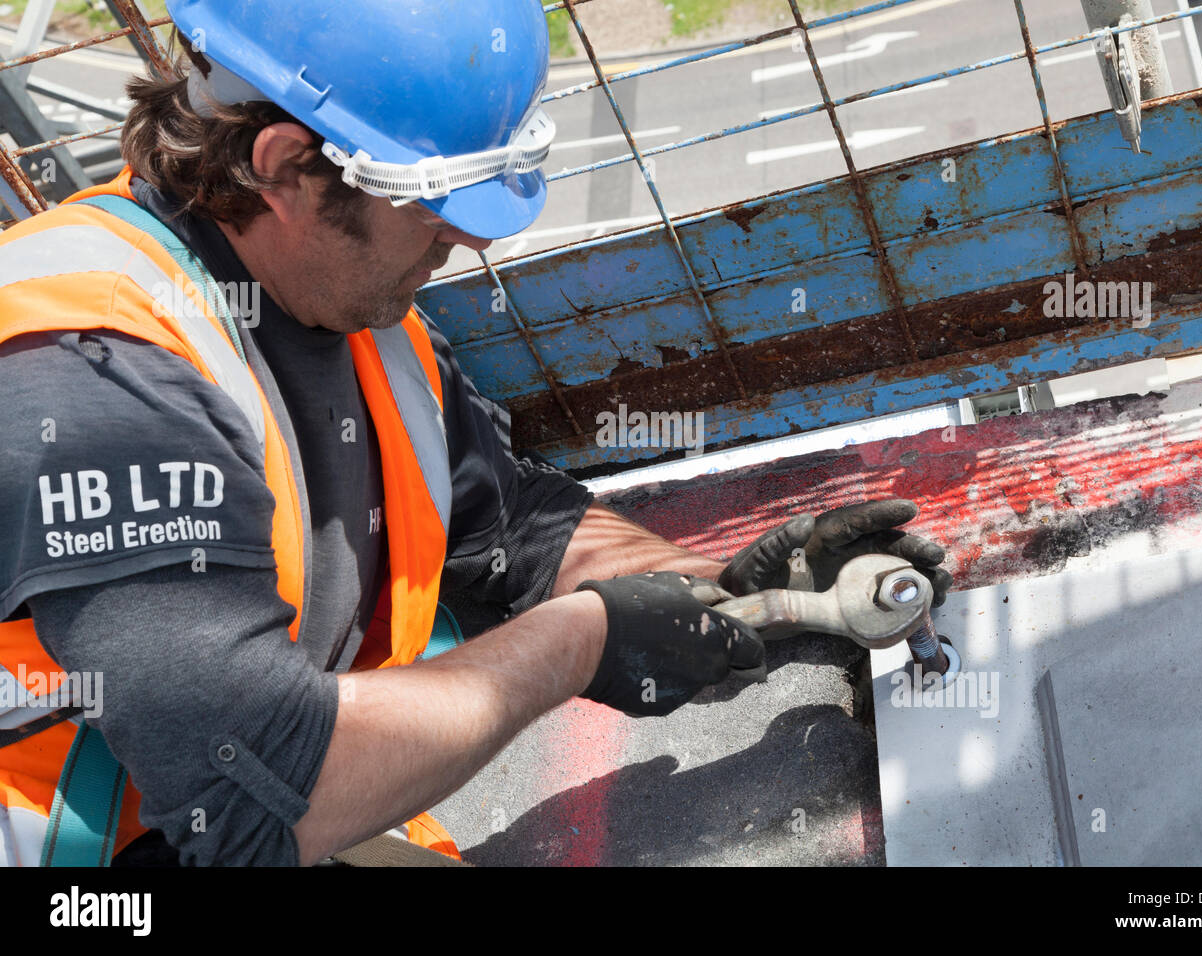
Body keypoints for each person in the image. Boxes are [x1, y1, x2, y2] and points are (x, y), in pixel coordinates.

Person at [0, 0, 950, 866]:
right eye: (433, 198)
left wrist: (736, 593)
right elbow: (257, 803)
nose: (476, 239)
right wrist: (578, 643)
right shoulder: (97, 377)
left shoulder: (357, 315)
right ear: (286, 167)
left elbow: (512, 529)